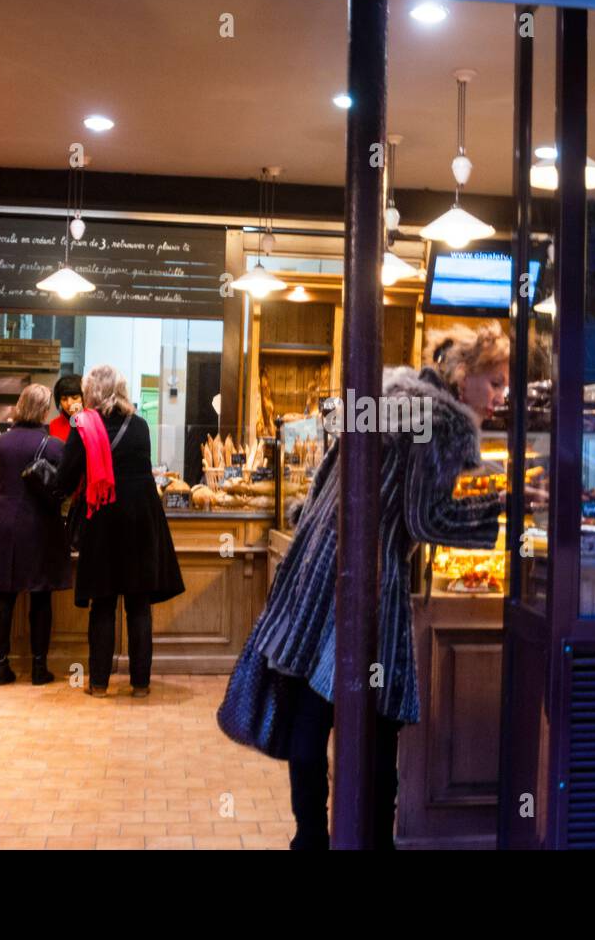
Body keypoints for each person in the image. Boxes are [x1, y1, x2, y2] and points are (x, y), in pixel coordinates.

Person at [218, 321, 511, 850]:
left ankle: (309, 839)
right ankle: (372, 840)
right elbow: (426, 518)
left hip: (315, 570)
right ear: (463, 376)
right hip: (370, 585)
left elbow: (329, 471)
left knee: (311, 712)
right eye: (495, 382)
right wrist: (504, 504)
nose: (500, 395)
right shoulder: (442, 419)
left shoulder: (389, 395)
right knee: (376, 724)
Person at [55, 364, 184, 697]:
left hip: (102, 519)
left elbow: (65, 479)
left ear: (91, 392)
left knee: (103, 603)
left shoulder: (82, 426)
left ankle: (98, 683)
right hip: (141, 521)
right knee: (139, 605)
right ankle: (140, 684)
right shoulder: (140, 426)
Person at [0, 383, 72, 685]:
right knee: (41, 596)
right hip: (41, 528)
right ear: (45, 410)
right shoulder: (54, 446)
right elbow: (64, 490)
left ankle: (0, 666)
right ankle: (38, 667)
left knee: (3, 595)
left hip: (5, 525)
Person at [49, 374, 82, 443]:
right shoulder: (54, 425)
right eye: (64, 399)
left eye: (75, 398)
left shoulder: (93, 423)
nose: (69, 403)